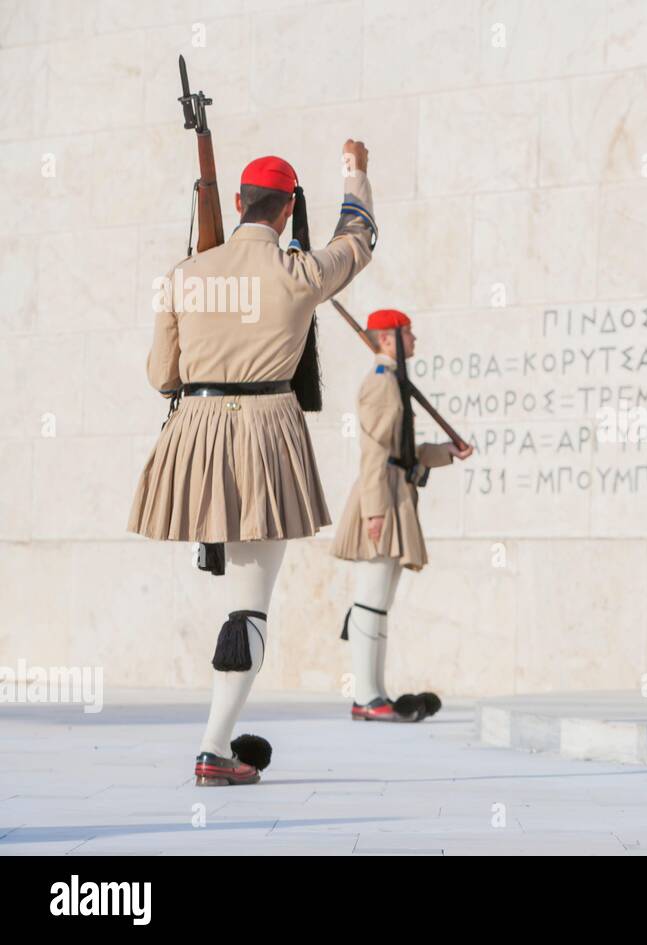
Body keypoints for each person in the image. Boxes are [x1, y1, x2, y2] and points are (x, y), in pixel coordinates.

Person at [129, 141, 379, 786]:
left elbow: (163, 375)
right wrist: (353, 171)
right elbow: (359, 238)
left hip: (194, 437)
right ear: (289, 208)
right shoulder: (300, 273)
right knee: (250, 607)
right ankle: (215, 747)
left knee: (237, 599)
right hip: (264, 438)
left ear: (237, 203)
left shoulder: (182, 274)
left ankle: (218, 741)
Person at [331, 309, 474, 722]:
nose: (416, 340)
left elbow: (402, 451)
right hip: (383, 498)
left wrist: (445, 452)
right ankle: (365, 695)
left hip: (397, 493)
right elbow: (374, 452)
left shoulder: (394, 381)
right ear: (389, 339)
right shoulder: (380, 383)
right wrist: (374, 511)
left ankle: (375, 693)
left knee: (381, 600)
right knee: (371, 597)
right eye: (409, 334)